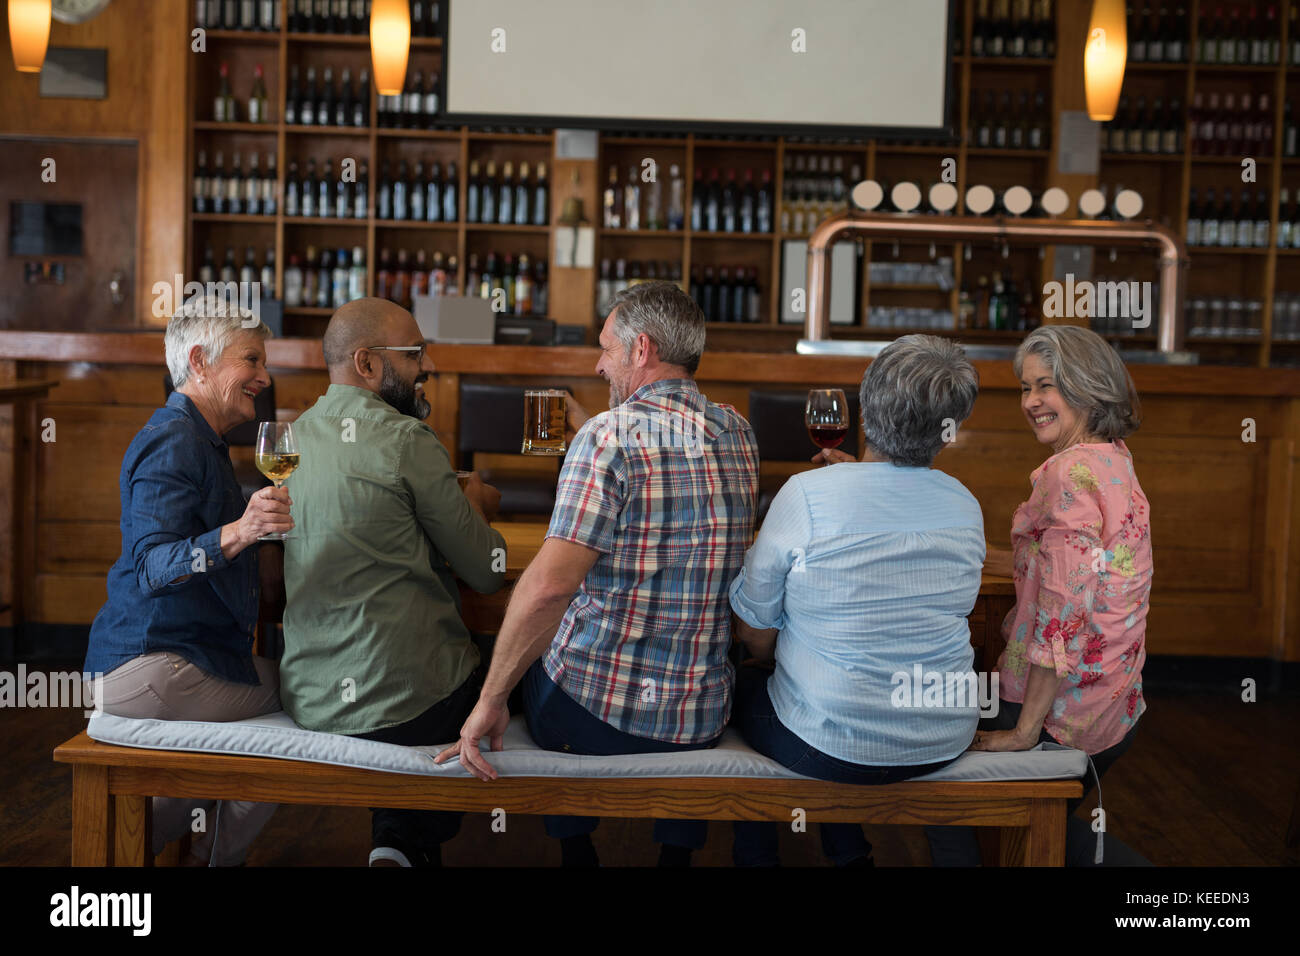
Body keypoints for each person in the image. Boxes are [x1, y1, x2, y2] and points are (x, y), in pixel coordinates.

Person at [436, 281, 759, 867]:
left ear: (642, 351)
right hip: (700, 712)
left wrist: (490, 699)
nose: (596, 361)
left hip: (598, 718)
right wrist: (595, 429)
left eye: (607, 348)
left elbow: (549, 588)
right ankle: (674, 856)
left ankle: (577, 850)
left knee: (534, 657)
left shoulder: (607, 439)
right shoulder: (737, 432)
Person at [728, 335, 984, 866]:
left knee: (743, 685)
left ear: (866, 406)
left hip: (829, 743)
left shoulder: (805, 494)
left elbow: (752, 626)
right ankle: (850, 855)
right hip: (942, 736)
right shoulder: (965, 504)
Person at [279, 297, 506, 868]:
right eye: (415, 354)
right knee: (504, 670)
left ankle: (398, 843)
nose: (425, 366)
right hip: (404, 702)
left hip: (310, 693)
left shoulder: (290, 443)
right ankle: (406, 840)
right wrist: (475, 508)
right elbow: (487, 570)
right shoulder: (407, 440)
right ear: (368, 364)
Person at [928, 324, 1153, 866]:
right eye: (1025, 388)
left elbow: (1063, 613)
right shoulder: (1112, 457)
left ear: (1087, 386)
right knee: (1029, 822)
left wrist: (1024, 733)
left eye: (1046, 386)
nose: (1031, 402)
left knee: (947, 792)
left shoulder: (1069, 473)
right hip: (1114, 700)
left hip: (1060, 710)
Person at [84, 290, 290, 866]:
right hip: (149, 666)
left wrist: (258, 536)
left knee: (266, 719)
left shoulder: (201, 438)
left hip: (163, 663)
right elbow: (153, 566)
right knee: (308, 704)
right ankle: (198, 857)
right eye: (250, 360)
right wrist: (241, 533)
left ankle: (137, 842)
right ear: (200, 361)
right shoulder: (175, 440)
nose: (264, 376)